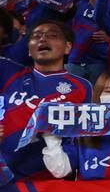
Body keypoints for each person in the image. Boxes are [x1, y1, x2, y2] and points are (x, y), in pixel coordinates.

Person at [1, 20, 93, 179]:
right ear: (29, 50)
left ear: (67, 47)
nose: (43, 39)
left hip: (48, 183)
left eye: (52, 35)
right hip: (3, 176)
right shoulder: (7, 72)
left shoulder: (82, 87)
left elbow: (82, 137)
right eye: (36, 36)